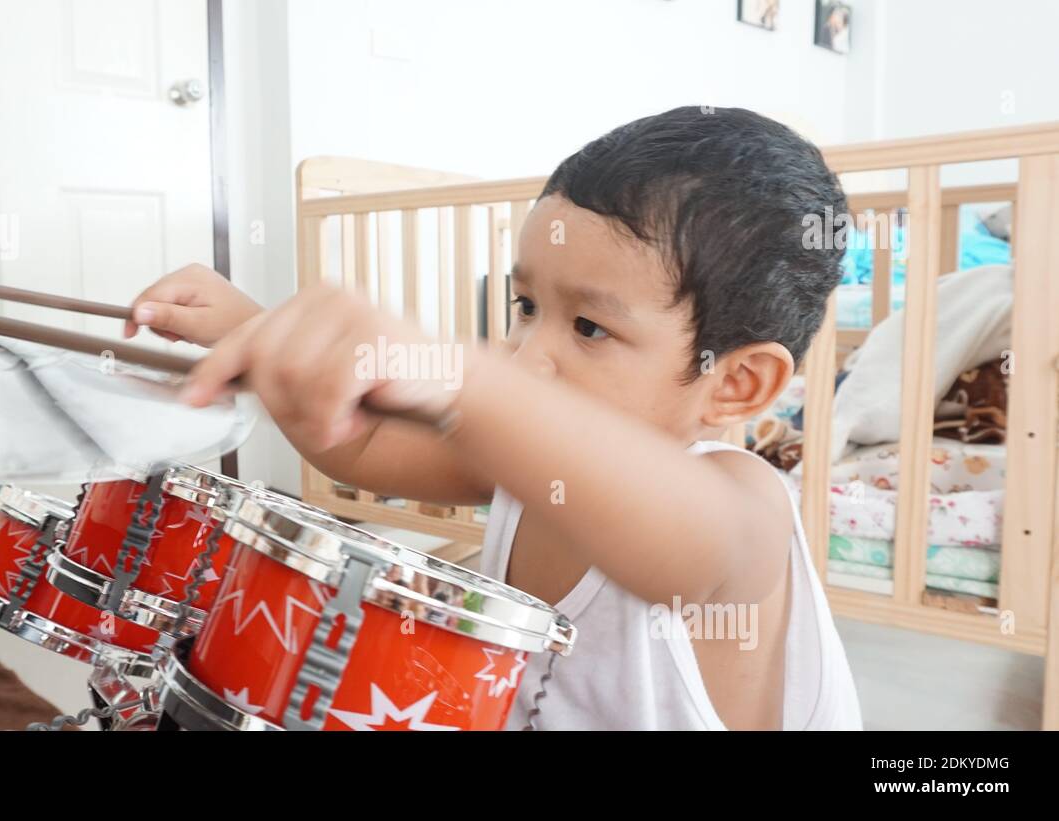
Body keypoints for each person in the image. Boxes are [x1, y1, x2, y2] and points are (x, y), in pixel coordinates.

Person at [127, 107, 863, 730]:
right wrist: (260, 334)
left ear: (735, 382)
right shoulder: (525, 463)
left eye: (588, 328)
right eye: (527, 308)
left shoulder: (739, 505)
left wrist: (463, 380)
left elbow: (683, 550)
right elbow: (367, 447)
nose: (525, 356)